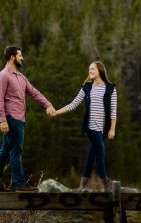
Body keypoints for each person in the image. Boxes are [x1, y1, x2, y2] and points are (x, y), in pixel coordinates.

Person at [0, 45, 55, 192]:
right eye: (20, 55)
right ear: (12, 57)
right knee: (16, 150)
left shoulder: (21, 77)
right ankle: (20, 184)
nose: (22, 58)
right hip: (12, 118)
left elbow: (34, 93)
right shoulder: (3, 75)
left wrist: (48, 105)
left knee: (6, 149)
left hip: (19, 119)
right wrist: (2, 120)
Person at [51, 61, 117, 191]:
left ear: (100, 70)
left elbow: (114, 110)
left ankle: (83, 185)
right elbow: (73, 104)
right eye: (89, 69)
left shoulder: (111, 89)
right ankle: (107, 184)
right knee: (100, 153)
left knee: (91, 155)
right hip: (91, 128)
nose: (90, 71)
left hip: (104, 129)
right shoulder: (87, 88)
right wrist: (56, 112)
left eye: (92, 69)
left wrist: (112, 128)